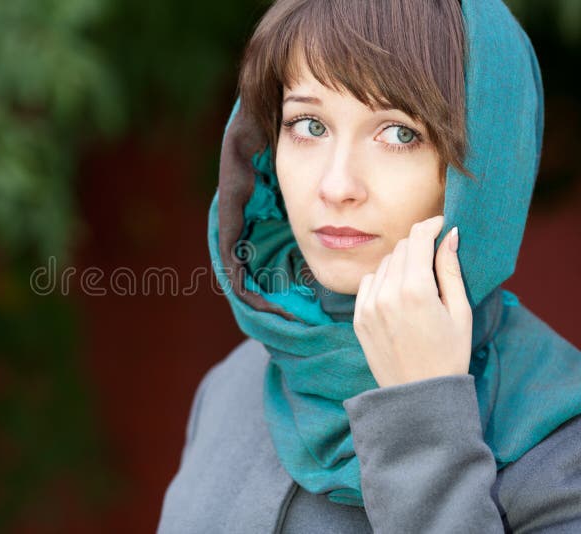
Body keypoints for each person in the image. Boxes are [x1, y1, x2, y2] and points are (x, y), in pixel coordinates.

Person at [157, 0, 581, 532]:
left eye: (400, 134)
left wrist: (424, 419)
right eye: (308, 125)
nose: (336, 186)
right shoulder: (235, 385)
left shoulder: (561, 441)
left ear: (491, 166)